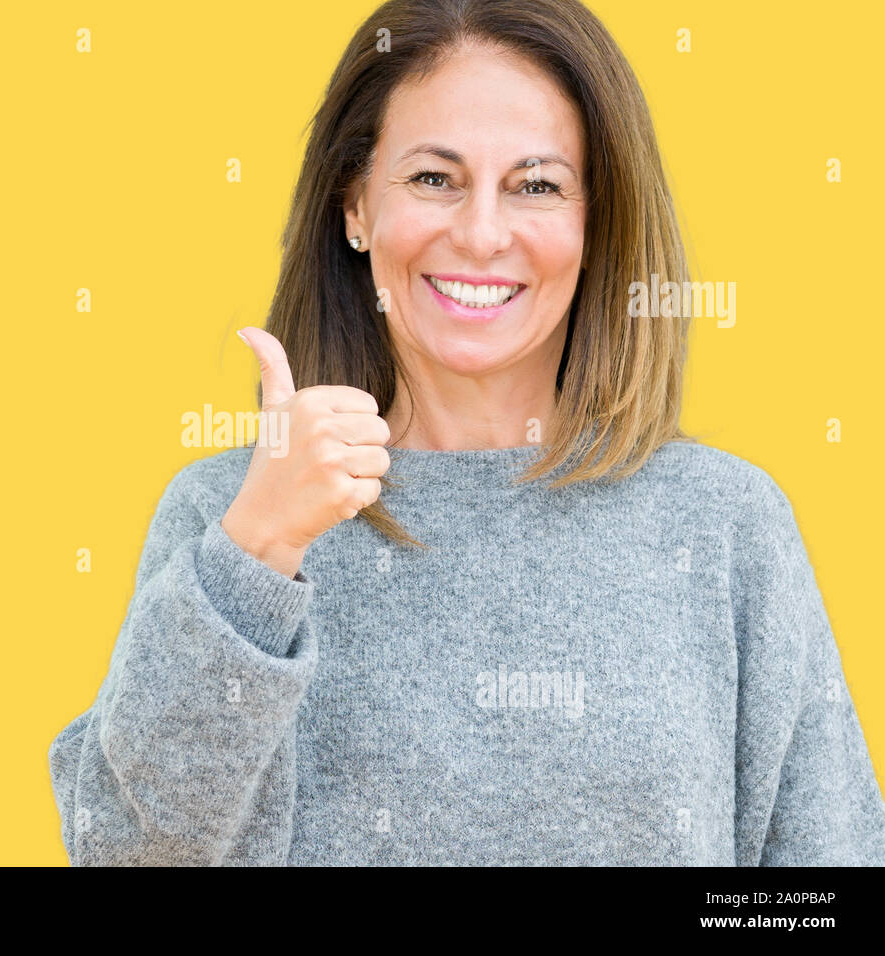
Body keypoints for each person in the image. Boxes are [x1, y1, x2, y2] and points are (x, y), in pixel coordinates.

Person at [48, 0, 885, 865]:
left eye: (537, 185)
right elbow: (126, 855)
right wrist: (257, 555)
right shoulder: (228, 518)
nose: (482, 235)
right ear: (355, 206)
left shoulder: (724, 524)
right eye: (433, 179)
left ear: (597, 224)